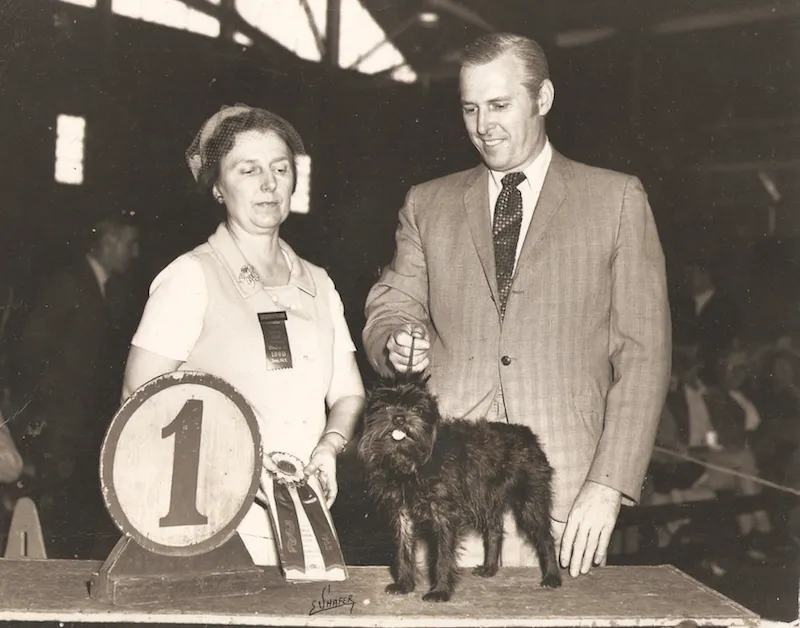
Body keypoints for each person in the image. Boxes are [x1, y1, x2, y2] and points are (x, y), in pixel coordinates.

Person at [363, 33, 671, 578]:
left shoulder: (617, 199)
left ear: (543, 98)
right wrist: (396, 338)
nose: (483, 125)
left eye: (500, 105)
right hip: (444, 483)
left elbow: (644, 353)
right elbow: (392, 301)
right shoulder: (426, 202)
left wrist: (609, 482)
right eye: (470, 107)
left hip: (564, 492)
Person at [122, 104, 365, 565]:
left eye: (280, 168)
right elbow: (138, 399)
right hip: (212, 528)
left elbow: (349, 395)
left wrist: (330, 448)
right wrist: (229, 463)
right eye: (248, 169)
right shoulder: (190, 277)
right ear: (217, 186)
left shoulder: (319, 282)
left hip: (309, 520)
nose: (269, 184)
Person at [10, 210, 140, 559]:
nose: (135, 251)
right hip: (58, 428)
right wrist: (45, 415)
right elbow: (31, 351)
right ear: (109, 241)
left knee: (68, 519)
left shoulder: (105, 291)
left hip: (79, 428)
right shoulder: (69, 284)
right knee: (48, 520)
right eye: (130, 242)